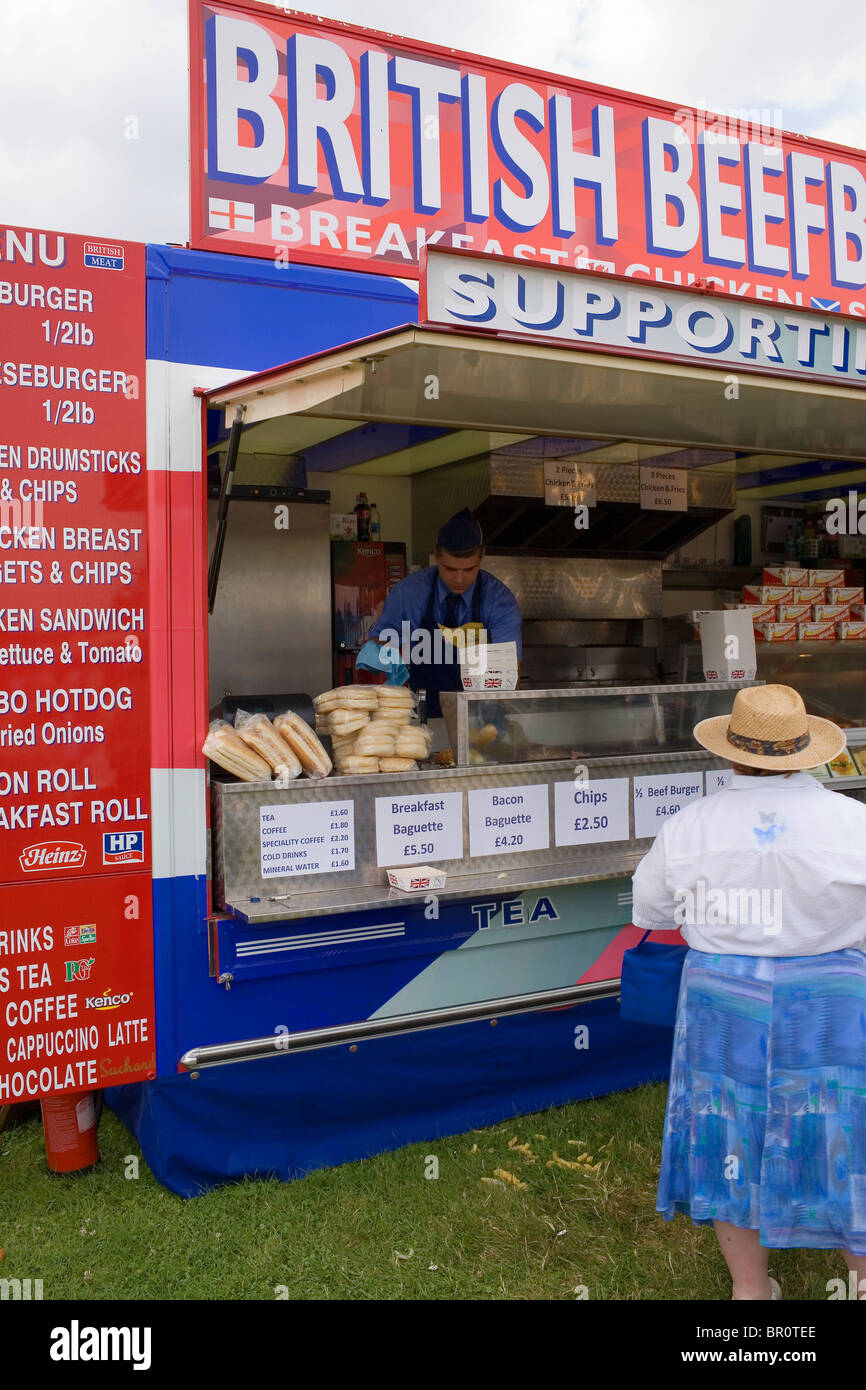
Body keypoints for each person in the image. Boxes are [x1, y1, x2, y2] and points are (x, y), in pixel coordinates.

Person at [631, 683, 866, 1300]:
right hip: (831, 995)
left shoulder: (689, 824)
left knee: (725, 1131)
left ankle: (751, 1291)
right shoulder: (854, 821)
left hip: (723, 995)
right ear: (805, 753)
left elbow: (651, 909)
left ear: (731, 753)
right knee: (841, 1128)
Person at [359, 507, 522, 718]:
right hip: (423, 717)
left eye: (469, 569)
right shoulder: (409, 593)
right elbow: (377, 648)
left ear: (481, 558)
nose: (459, 579)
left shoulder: (499, 601)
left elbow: (509, 678)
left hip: (481, 720)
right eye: (450, 569)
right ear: (436, 556)